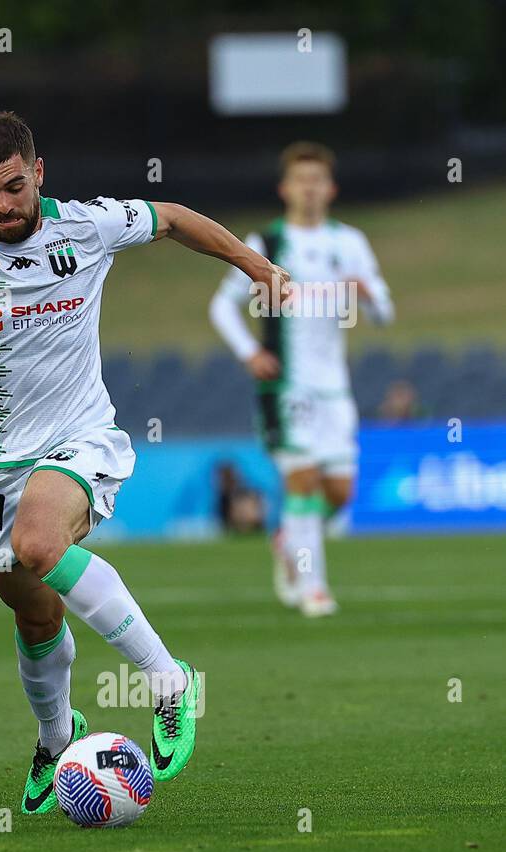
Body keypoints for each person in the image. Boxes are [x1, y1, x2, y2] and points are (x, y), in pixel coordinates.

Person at [0, 111, 290, 812]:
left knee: (40, 543)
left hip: (80, 438)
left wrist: (255, 265)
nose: (1, 206)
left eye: (12, 187)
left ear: (39, 172)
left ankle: (170, 682)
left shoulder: (87, 225)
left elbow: (175, 217)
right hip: (0, 464)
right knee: (33, 618)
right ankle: (54, 738)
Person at [209, 142, 394, 617]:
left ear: (330, 189)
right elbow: (222, 305)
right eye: (300, 181)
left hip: (335, 388)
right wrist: (251, 352)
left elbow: (384, 313)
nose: (309, 189)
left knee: (339, 493)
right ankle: (313, 587)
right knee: (303, 481)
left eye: (317, 181)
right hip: (287, 387)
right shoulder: (266, 244)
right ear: (284, 188)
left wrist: (368, 295)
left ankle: (287, 538)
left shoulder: (349, 242)